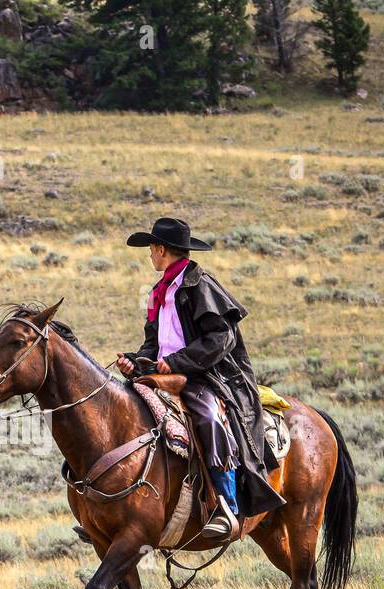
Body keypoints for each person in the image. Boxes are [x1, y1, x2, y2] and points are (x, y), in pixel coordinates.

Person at [116, 216, 285, 540]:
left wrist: (176, 363)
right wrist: (137, 363)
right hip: (165, 373)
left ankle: (226, 504)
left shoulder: (201, 286)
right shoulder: (159, 292)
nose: (150, 254)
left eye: (151, 248)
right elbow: (154, 344)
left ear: (161, 248)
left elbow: (220, 340)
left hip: (208, 375)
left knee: (208, 418)